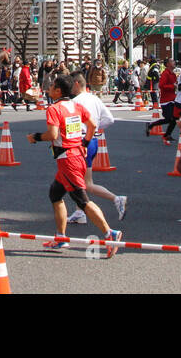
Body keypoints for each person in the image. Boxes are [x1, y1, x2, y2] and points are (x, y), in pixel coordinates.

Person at [28, 75, 121, 255]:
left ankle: (110, 233)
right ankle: (61, 238)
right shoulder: (76, 106)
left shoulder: (54, 109)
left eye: (52, 86)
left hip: (68, 159)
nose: (48, 89)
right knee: (55, 194)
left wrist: (36, 137)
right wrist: (84, 143)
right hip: (76, 154)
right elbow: (93, 125)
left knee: (82, 199)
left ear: (58, 91)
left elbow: (53, 135)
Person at [65, 71, 127, 223]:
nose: (69, 88)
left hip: (80, 142)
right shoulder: (94, 99)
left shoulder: (75, 102)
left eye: (71, 84)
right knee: (84, 181)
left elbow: (71, 125)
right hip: (92, 141)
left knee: (82, 183)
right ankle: (80, 212)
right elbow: (110, 119)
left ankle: (115, 199)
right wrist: (96, 128)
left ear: (77, 84)